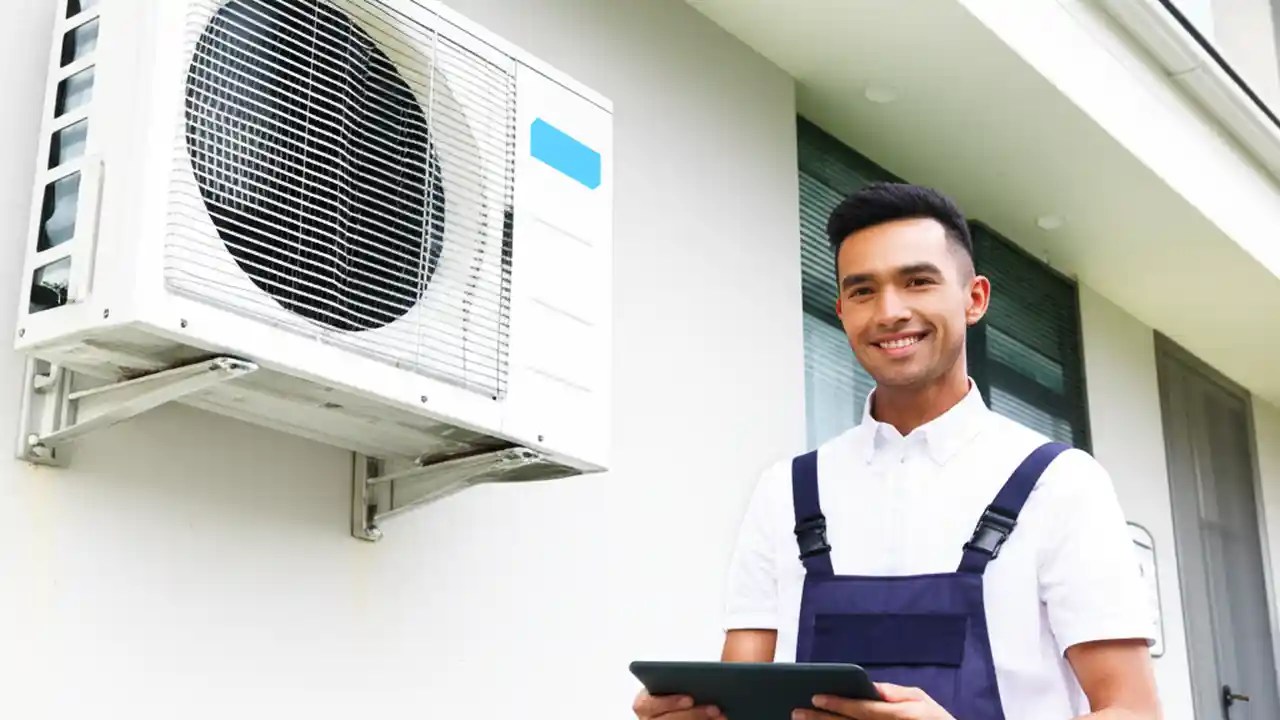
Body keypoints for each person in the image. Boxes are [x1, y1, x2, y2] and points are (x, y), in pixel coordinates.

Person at [633, 183, 1160, 719]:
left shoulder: (1061, 484)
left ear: (974, 298)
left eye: (917, 282)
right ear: (841, 310)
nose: (889, 312)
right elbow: (742, 699)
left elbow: (1133, 711)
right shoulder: (786, 492)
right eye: (863, 292)